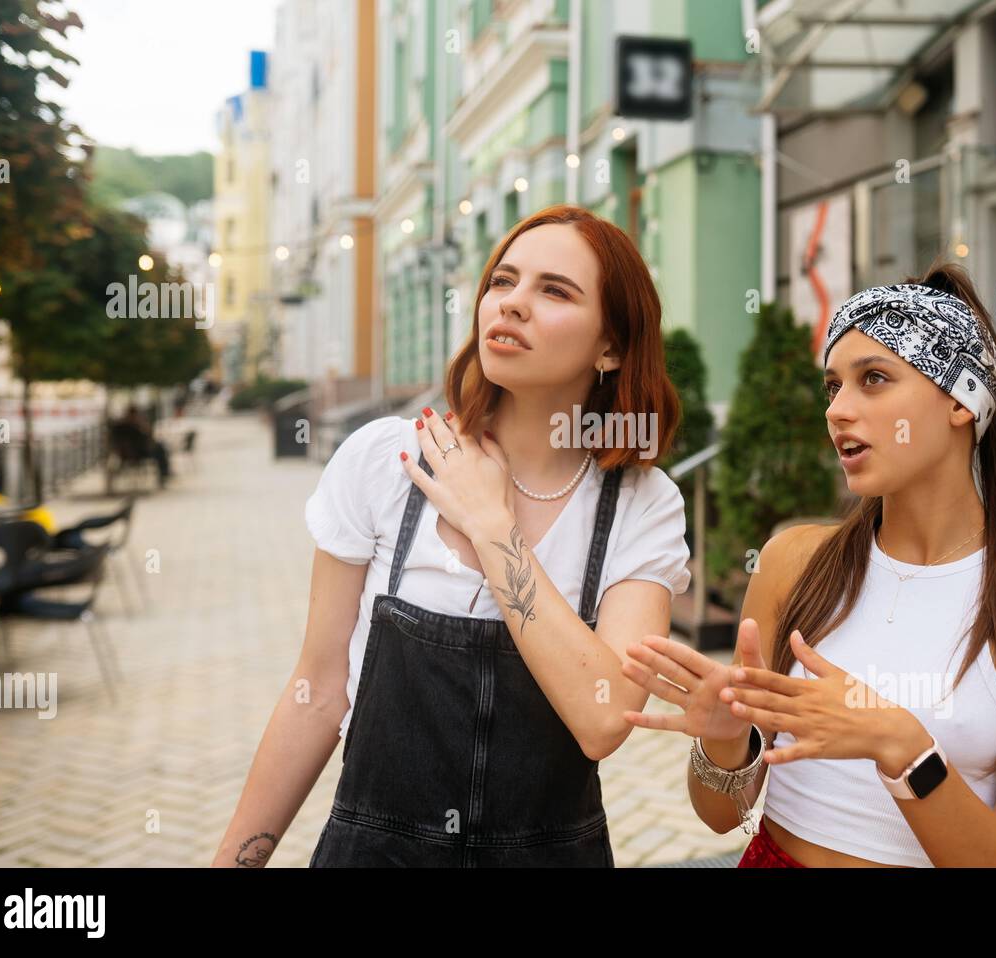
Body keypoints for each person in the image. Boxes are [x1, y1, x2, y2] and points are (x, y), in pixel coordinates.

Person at [212, 205, 691, 867]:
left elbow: (603, 717)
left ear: (610, 347)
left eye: (553, 291)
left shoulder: (642, 505)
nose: (513, 303)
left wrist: (492, 526)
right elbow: (318, 693)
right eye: (503, 281)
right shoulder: (386, 461)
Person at [621, 262, 996, 867]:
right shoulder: (793, 562)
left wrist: (902, 747)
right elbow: (723, 814)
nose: (837, 410)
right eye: (833, 386)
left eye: (874, 379)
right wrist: (724, 744)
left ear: (962, 403)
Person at [112, 406, 172, 487]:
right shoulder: (132, 426)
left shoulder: (123, 425)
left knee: (160, 447)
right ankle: (164, 474)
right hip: (138, 453)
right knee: (160, 449)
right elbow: (147, 437)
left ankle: (164, 474)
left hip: (131, 453)